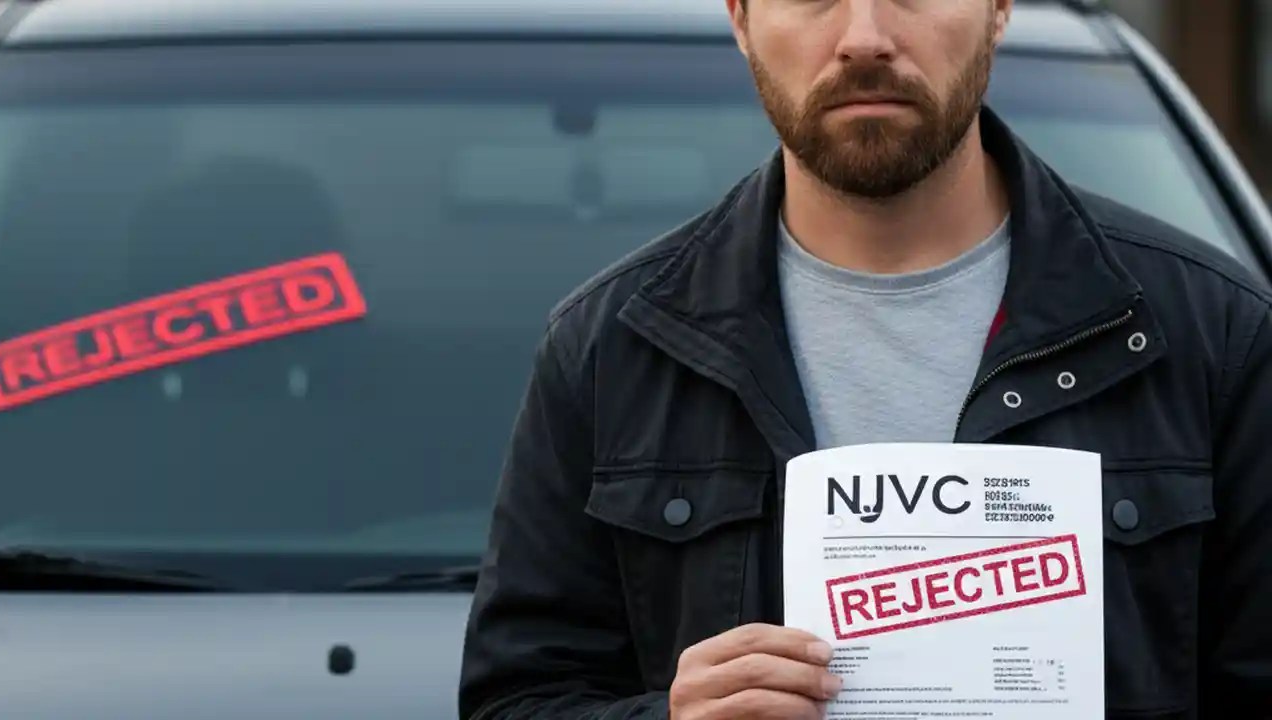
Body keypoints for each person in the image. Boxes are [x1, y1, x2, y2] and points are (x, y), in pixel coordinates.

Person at [459, 0, 1272, 717]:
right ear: (741, 18)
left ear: (997, 7)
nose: (865, 36)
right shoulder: (611, 349)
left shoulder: (1215, 334)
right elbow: (516, 698)